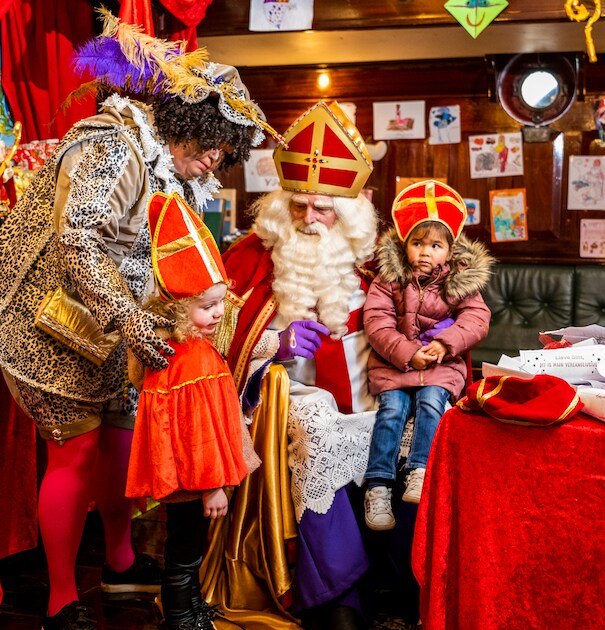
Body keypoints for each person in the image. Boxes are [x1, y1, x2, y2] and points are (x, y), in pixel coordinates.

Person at [0, 14, 274, 630]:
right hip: (37, 316)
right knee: (76, 452)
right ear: (188, 125)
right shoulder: (108, 144)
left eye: (228, 151)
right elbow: (79, 241)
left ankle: (120, 560)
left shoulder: (174, 170)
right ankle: (59, 599)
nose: (219, 159)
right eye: (216, 142)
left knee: (120, 443)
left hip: (106, 322)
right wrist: (132, 324)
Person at [202, 100, 379, 629]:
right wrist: (271, 348)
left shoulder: (373, 268)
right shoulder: (248, 259)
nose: (308, 220)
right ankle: (337, 596)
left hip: (368, 400)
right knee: (317, 425)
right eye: (298, 206)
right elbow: (213, 348)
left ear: (345, 213)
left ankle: (399, 577)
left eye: (322, 208)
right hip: (276, 406)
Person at [125, 191, 258, 630]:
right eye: (207, 306)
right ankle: (182, 617)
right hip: (193, 478)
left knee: (187, 545)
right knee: (184, 549)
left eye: (221, 301)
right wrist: (212, 486)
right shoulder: (189, 360)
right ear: (177, 307)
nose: (220, 313)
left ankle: (191, 606)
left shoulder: (180, 346)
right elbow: (198, 433)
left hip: (186, 474)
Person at [361, 180, 492, 531]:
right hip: (395, 365)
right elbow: (377, 322)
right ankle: (378, 485)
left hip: (439, 367)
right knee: (391, 411)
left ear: (449, 251)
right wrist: (407, 353)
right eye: (417, 243)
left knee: (432, 402)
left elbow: (476, 319)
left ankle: (419, 470)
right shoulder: (389, 279)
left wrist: (445, 344)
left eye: (435, 245)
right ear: (404, 245)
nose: (424, 252)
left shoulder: (458, 281)